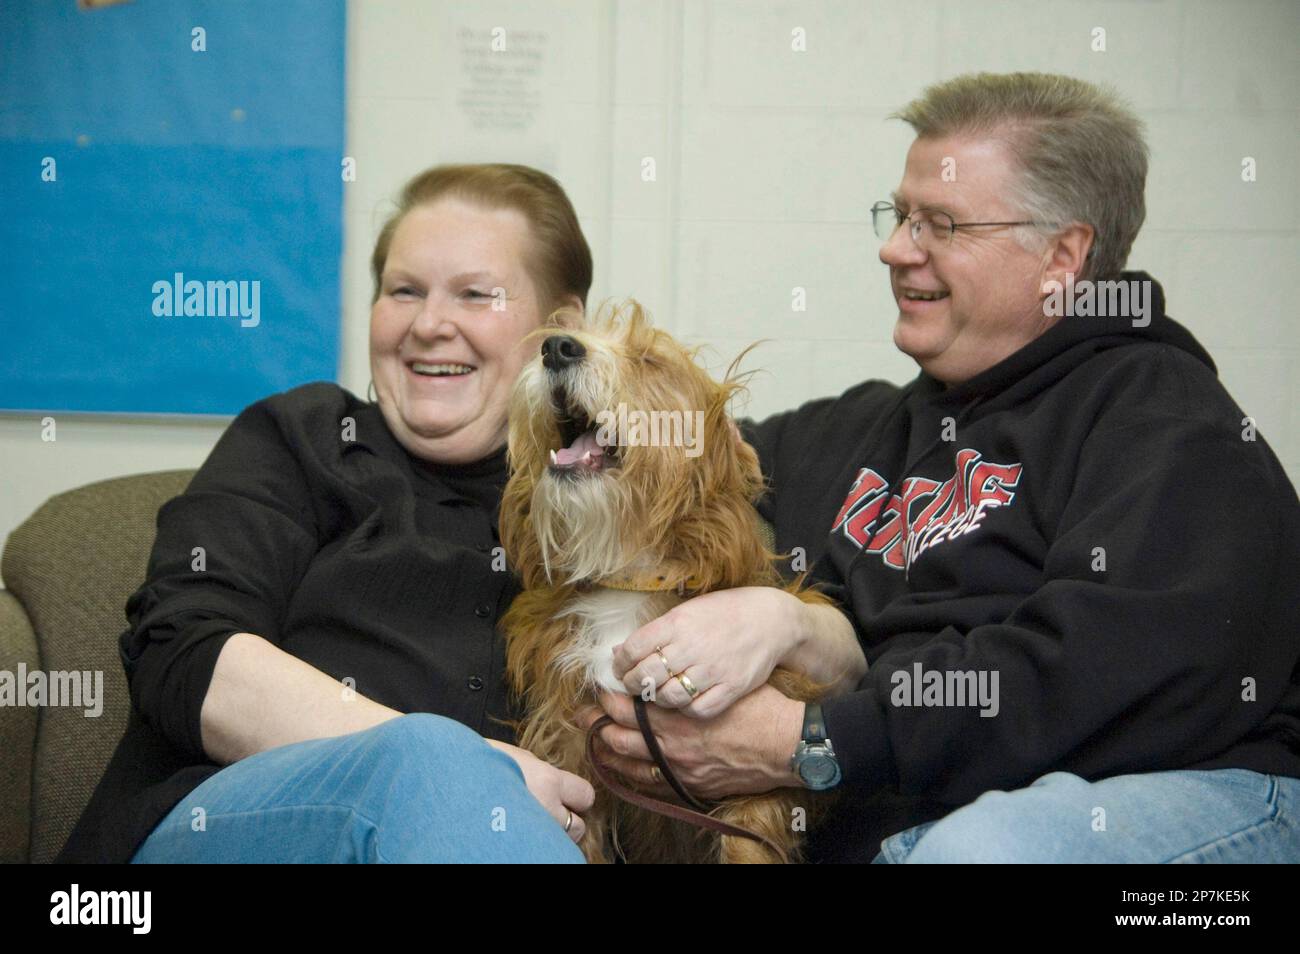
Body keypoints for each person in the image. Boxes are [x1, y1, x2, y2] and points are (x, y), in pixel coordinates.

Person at [583, 72, 1300, 863]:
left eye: (941, 224)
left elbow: (1093, 678)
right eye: (899, 216)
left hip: (1182, 800)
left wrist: (813, 740)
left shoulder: (1166, 420)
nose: (894, 248)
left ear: (1062, 255)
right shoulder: (870, 428)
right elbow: (663, 459)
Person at [58, 163, 600, 863]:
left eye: (474, 295)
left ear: (561, 328)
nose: (429, 324)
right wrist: (474, 774)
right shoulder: (303, 437)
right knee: (431, 759)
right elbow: (183, 651)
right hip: (231, 830)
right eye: (403, 290)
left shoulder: (601, 488)